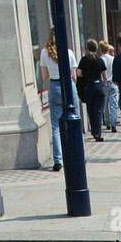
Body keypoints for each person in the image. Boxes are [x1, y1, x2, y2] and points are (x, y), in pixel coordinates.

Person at [40, 28, 80, 171]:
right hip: (68, 85)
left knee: (56, 126)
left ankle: (58, 159)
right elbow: (74, 75)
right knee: (76, 120)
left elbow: (44, 76)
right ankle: (78, 154)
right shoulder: (68, 52)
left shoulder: (44, 53)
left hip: (54, 85)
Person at [77, 39, 107, 142]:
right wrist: (105, 85)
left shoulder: (84, 60)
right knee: (98, 111)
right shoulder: (99, 60)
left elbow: (78, 73)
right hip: (98, 86)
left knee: (90, 111)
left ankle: (94, 131)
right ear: (96, 48)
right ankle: (98, 132)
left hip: (88, 87)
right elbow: (104, 76)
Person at [101, 41, 119, 132]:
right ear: (108, 49)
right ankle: (113, 123)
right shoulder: (113, 59)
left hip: (104, 83)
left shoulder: (100, 59)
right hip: (113, 82)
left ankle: (107, 122)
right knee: (113, 104)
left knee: (105, 104)